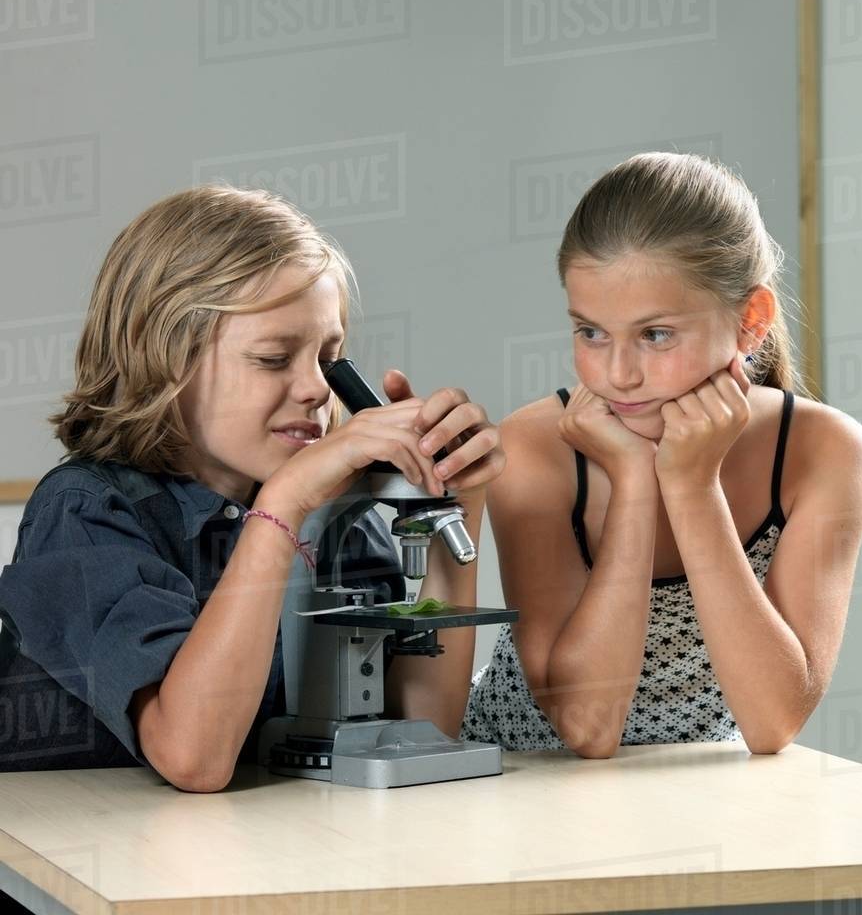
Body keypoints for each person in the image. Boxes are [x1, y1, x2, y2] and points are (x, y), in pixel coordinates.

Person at [0, 185, 504, 790]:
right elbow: (194, 757)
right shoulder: (86, 511)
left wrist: (454, 503)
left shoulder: (338, 514)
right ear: (162, 358)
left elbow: (421, 725)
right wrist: (283, 509)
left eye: (330, 358)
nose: (317, 389)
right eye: (273, 358)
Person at [460, 151, 862, 758]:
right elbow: (587, 728)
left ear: (751, 320)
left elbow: (772, 721)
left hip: (701, 800)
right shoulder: (535, 448)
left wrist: (690, 485)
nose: (618, 374)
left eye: (655, 335)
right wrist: (634, 480)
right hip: (526, 783)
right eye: (590, 332)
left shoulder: (821, 451)